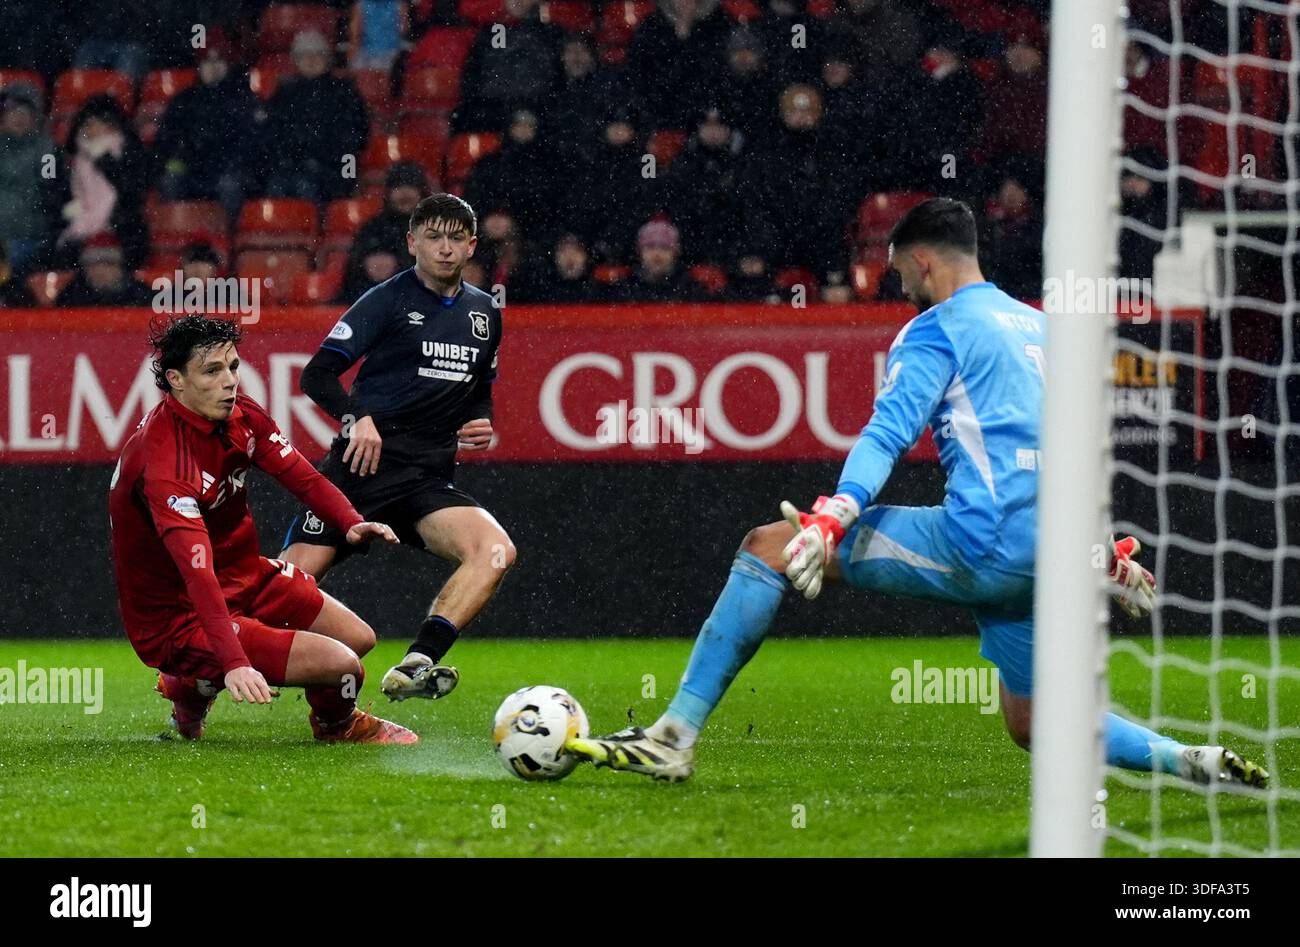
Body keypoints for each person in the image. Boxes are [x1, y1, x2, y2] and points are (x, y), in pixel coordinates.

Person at [567, 198, 1270, 791]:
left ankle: (672, 735)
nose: (897, 281)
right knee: (1032, 721)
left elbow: (887, 433)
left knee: (768, 546)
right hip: (1055, 553)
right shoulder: (1047, 328)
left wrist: (836, 513)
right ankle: (1189, 758)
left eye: (899, 269)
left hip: (984, 543)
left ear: (923, 261)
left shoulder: (936, 327)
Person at [108, 314, 415, 744]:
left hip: (244, 574)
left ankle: (191, 684)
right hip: (179, 614)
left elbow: (302, 478)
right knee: (344, 667)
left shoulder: (241, 415)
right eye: (212, 371)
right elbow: (197, 576)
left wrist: (350, 523)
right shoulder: (166, 465)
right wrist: (234, 662)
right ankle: (336, 726)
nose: (230, 381)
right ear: (175, 380)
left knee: (358, 639)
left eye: (233, 366)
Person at [281, 193, 513, 703]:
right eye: (433, 237)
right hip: (358, 472)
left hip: (425, 479)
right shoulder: (387, 300)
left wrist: (481, 420)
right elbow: (317, 374)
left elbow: (480, 390)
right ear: (412, 243)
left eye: (456, 238)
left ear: (472, 245)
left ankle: (418, 662)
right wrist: (355, 417)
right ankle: (198, 677)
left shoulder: (485, 315)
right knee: (286, 589)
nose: (445, 249)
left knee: (494, 551)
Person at [154, 33, 260, 224]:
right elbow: (167, 138)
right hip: (192, 167)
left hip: (227, 169)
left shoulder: (243, 100)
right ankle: (177, 231)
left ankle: (227, 238)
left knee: (230, 185)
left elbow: (249, 143)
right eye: (207, 62)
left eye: (218, 61)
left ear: (228, 66)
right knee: (170, 179)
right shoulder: (183, 99)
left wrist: (228, 162)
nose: (212, 67)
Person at [263, 31, 370, 203]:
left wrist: (327, 160)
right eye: (305, 55)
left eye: (317, 54)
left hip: (330, 168)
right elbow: (273, 133)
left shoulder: (344, 92)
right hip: (290, 167)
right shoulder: (284, 93)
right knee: (276, 187)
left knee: (306, 187)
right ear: (296, 60)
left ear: (327, 59)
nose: (311, 60)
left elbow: (355, 135)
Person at [55, 235, 153, 307]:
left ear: (119, 266)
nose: (99, 270)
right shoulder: (72, 296)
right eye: (92, 265)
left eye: (107, 264)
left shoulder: (141, 294)